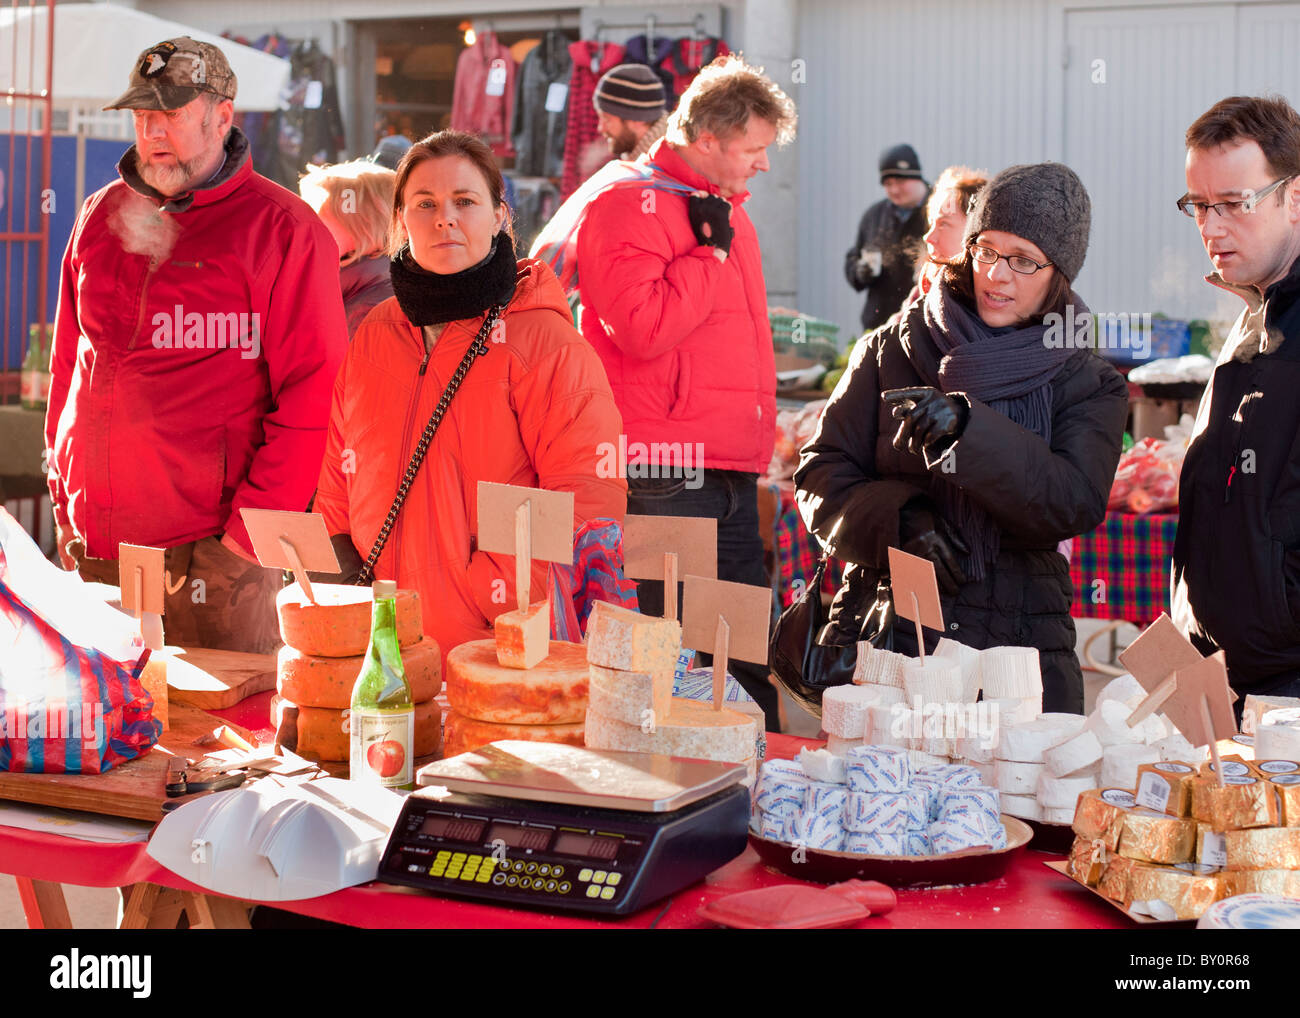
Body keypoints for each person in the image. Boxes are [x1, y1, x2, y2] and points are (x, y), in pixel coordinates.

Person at [45, 37, 347, 654]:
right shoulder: (98, 217)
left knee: (218, 746)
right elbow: (68, 367)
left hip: (210, 568)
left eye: (173, 114)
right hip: (93, 558)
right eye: (143, 115)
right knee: (103, 741)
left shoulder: (284, 232)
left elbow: (314, 400)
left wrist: (241, 546)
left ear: (222, 116)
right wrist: (62, 491)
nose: (153, 131)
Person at [796, 163, 1128, 714]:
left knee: (1012, 800)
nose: (997, 276)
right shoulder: (890, 350)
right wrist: (899, 521)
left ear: (1060, 273)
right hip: (890, 640)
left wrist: (968, 432)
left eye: (1024, 261)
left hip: (1017, 657)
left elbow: (1071, 501)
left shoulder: (1087, 380)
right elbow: (820, 474)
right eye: (987, 251)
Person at [313, 130, 626, 666]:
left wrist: (493, 597)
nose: (444, 218)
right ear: (401, 221)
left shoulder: (544, 343)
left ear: (500, 216)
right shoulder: (374, 333)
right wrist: (342, 572)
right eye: (425, 204)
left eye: (465, 201)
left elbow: (586, 506)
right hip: (380, 642)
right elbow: (339, 473)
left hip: (498, 653)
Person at [576, 55, 798, 731]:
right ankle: (664, 808)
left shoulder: (723, 211)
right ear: (707, 140)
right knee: (662, 659)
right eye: (754, 149)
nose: (763, 165)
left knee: (741, 652)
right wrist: (709, 255)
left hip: (726, 464)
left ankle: (764, 799)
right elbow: (641, 329)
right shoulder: (625, 202)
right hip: (664, 469)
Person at [1172, 95, 1300, 705]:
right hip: (1222, 678)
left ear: (1294, 196)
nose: (1211, 227)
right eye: (1199, 205)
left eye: (1233, 203)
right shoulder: (1254, 316)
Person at [299, 160, 397, 338]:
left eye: (322, 212)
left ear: (366, 221)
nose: (312, 222)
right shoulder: (362, 289)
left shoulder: (373, 309)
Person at [885, 165, 988, 328]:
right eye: (931, 223)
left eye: (944, 224)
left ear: (978, 232)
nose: (928, 237)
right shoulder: (923, 290)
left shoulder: (995, 302)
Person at [845, 144, 931, 331]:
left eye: (900, 182)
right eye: (888, 184)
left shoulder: (939, 210)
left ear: (916, 177)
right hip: (880, 323)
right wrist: (860, 271)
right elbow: (853, 257)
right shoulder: (874, 216)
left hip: (925, 325)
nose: (894, 190)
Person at [594, 63, 670, 161]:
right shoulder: (643, 160)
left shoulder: (662, 168)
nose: (601, 128)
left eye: (607, 119)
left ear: (638, 120)